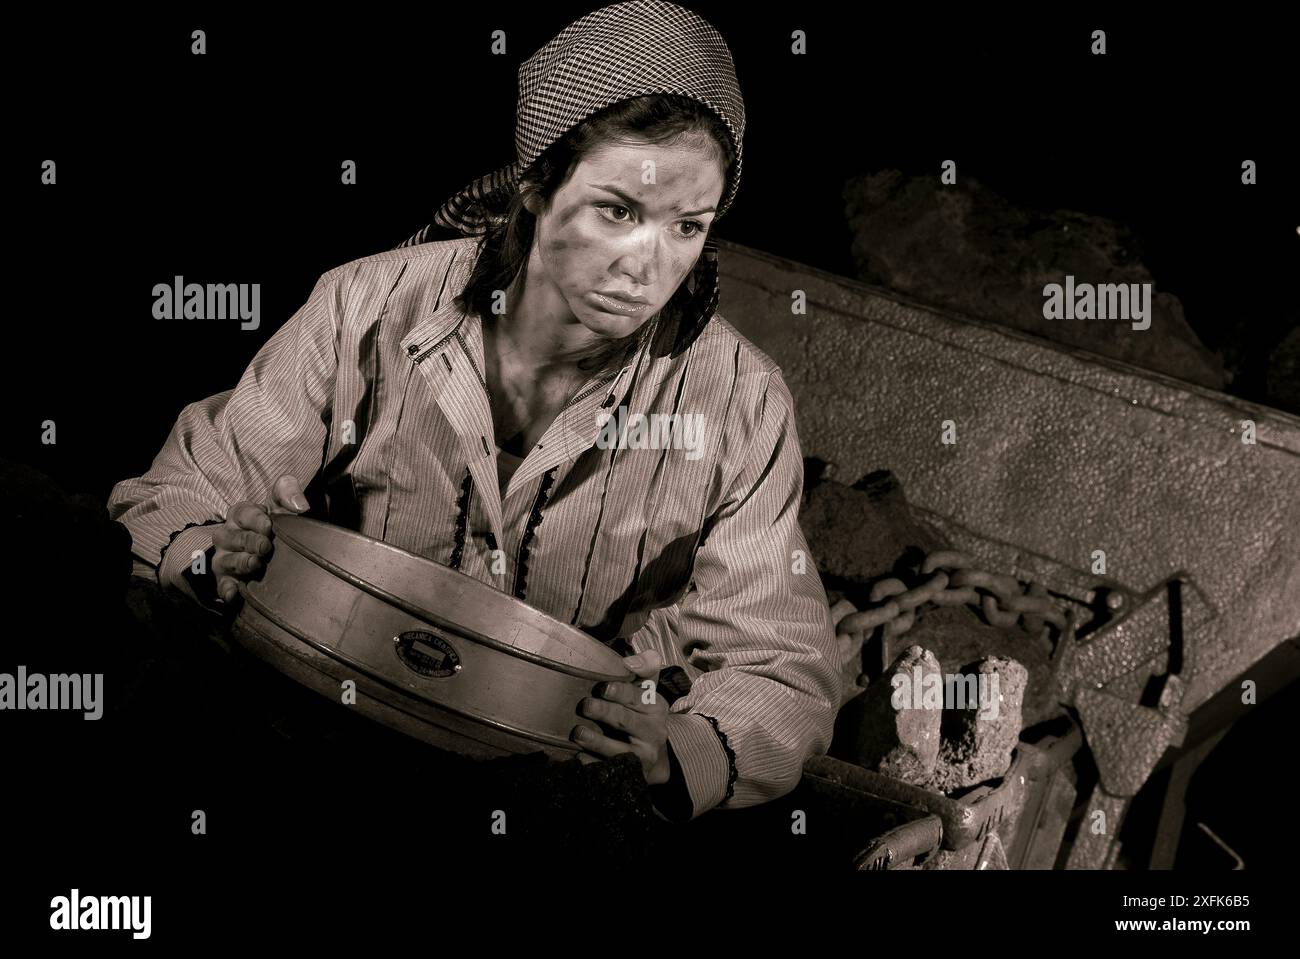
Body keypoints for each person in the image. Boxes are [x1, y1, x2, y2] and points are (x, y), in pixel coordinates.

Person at [107, 0, 840, 823]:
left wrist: (675, 747)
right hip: (316, 719)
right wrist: (208, 552)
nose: (647, 265)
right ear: (534, 185)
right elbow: (180, 490)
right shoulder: (370, 304)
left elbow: (783, 666)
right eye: (618, 211)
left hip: (550, 790)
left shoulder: (739, 403)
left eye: (687, 226)